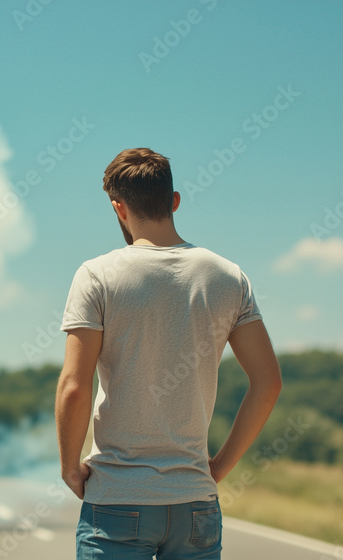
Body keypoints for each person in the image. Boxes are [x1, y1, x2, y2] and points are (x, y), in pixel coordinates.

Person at [55, 148, 282, 559]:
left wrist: (70, 467)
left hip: (117, 499)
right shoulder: (229, 277)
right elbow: (268, 383)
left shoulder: (96, 275)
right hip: (195, 501)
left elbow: (74, 385)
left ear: (118, 207)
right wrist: (218, 468)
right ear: (174, 201)